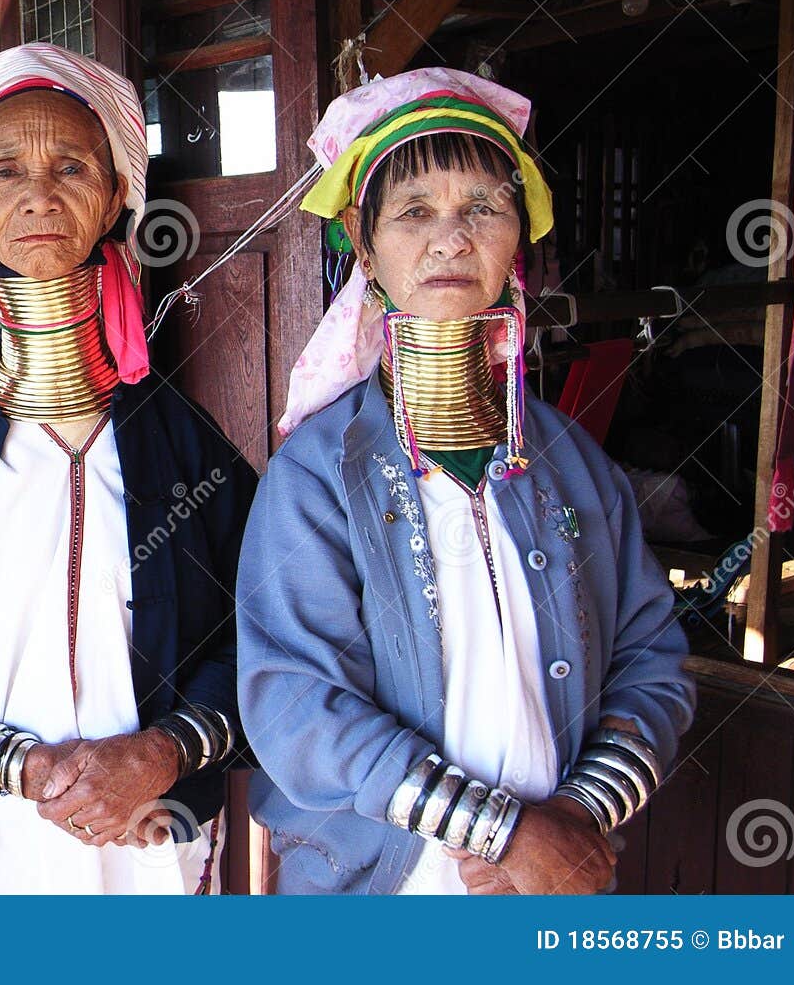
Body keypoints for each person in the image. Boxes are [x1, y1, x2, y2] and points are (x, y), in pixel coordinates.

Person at [236, 66, 695, 894]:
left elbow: (652, 658)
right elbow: (295, 706)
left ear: (519, 237)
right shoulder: (316, 477)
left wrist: (577, 817)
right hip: (382, 893)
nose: (452, 237)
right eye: (415, 211)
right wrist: (504, 834)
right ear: (362, 239)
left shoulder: (577, 468)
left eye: (483, 206)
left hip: (554, 878)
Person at [0, 42, 255, 893]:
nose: (38, 194)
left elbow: (263, 636)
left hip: (157, 840)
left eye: (71, 165)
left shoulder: (189, 451)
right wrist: (24, 769)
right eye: (3, 171)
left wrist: (158, 754)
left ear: (114, 197)